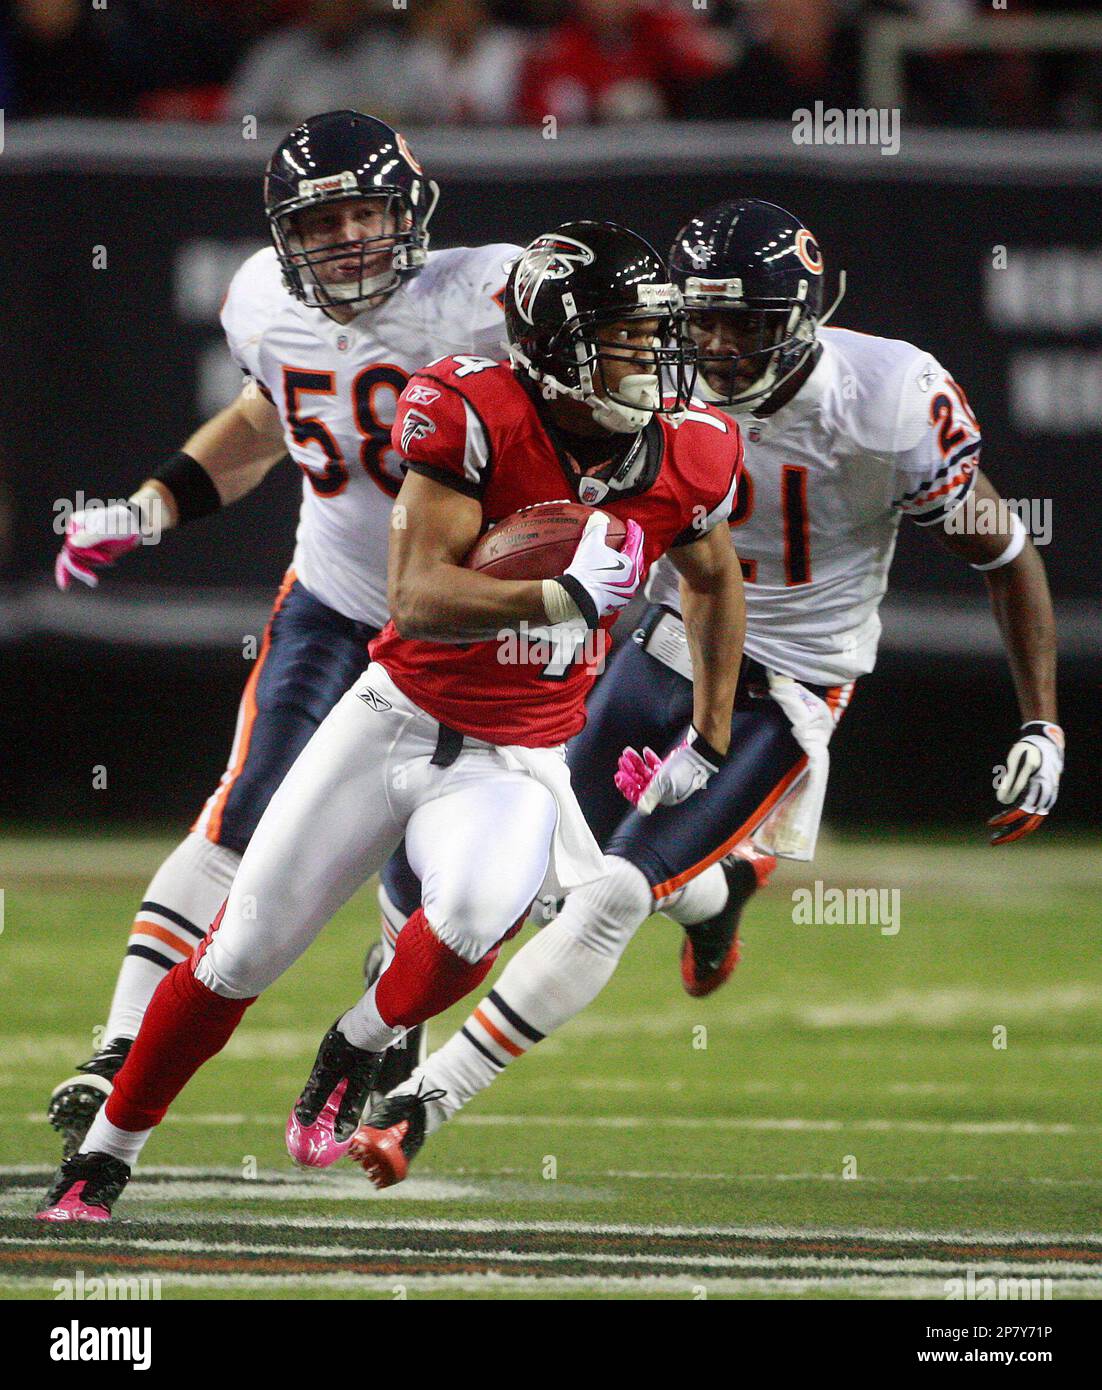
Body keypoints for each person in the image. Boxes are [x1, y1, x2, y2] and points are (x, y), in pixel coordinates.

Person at [36, 219, 747, 1221]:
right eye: (627, 337)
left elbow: (714, 578)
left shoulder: (694, 448)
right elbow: (415, 597)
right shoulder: (473, 409)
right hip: (396, 716)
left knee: (472, 921)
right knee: (240, 953)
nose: (654, 358)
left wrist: (708, 735)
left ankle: (358, 1041)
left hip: (515, 754)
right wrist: (560, 595)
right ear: (556, 346)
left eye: (654, 333)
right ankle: (105, 1154)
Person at [350, 198, 1063, 1190]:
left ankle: (426, 1102)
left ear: (808, 316)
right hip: (661, 642)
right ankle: (716, 897)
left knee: (610, 894)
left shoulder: (891, 399)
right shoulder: (641, 372)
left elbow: (1005, 553)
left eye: (746, 323)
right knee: (534, 877)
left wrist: (1042, 723)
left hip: (790, 681)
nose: (720, 348)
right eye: (704, 321)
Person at [47, 109, 520, 1160]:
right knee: (242, 811)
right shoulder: (263, 297)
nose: (348, 240)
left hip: (470, 626)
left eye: (365, 214)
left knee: (444, 865)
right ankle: (120, 1046)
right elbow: (268, 422)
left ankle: (383, 1035)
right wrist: (148, 507)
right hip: (339, 602)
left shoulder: (488, 300)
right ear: (283, 234)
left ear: (410, 210)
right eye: (321, 221)